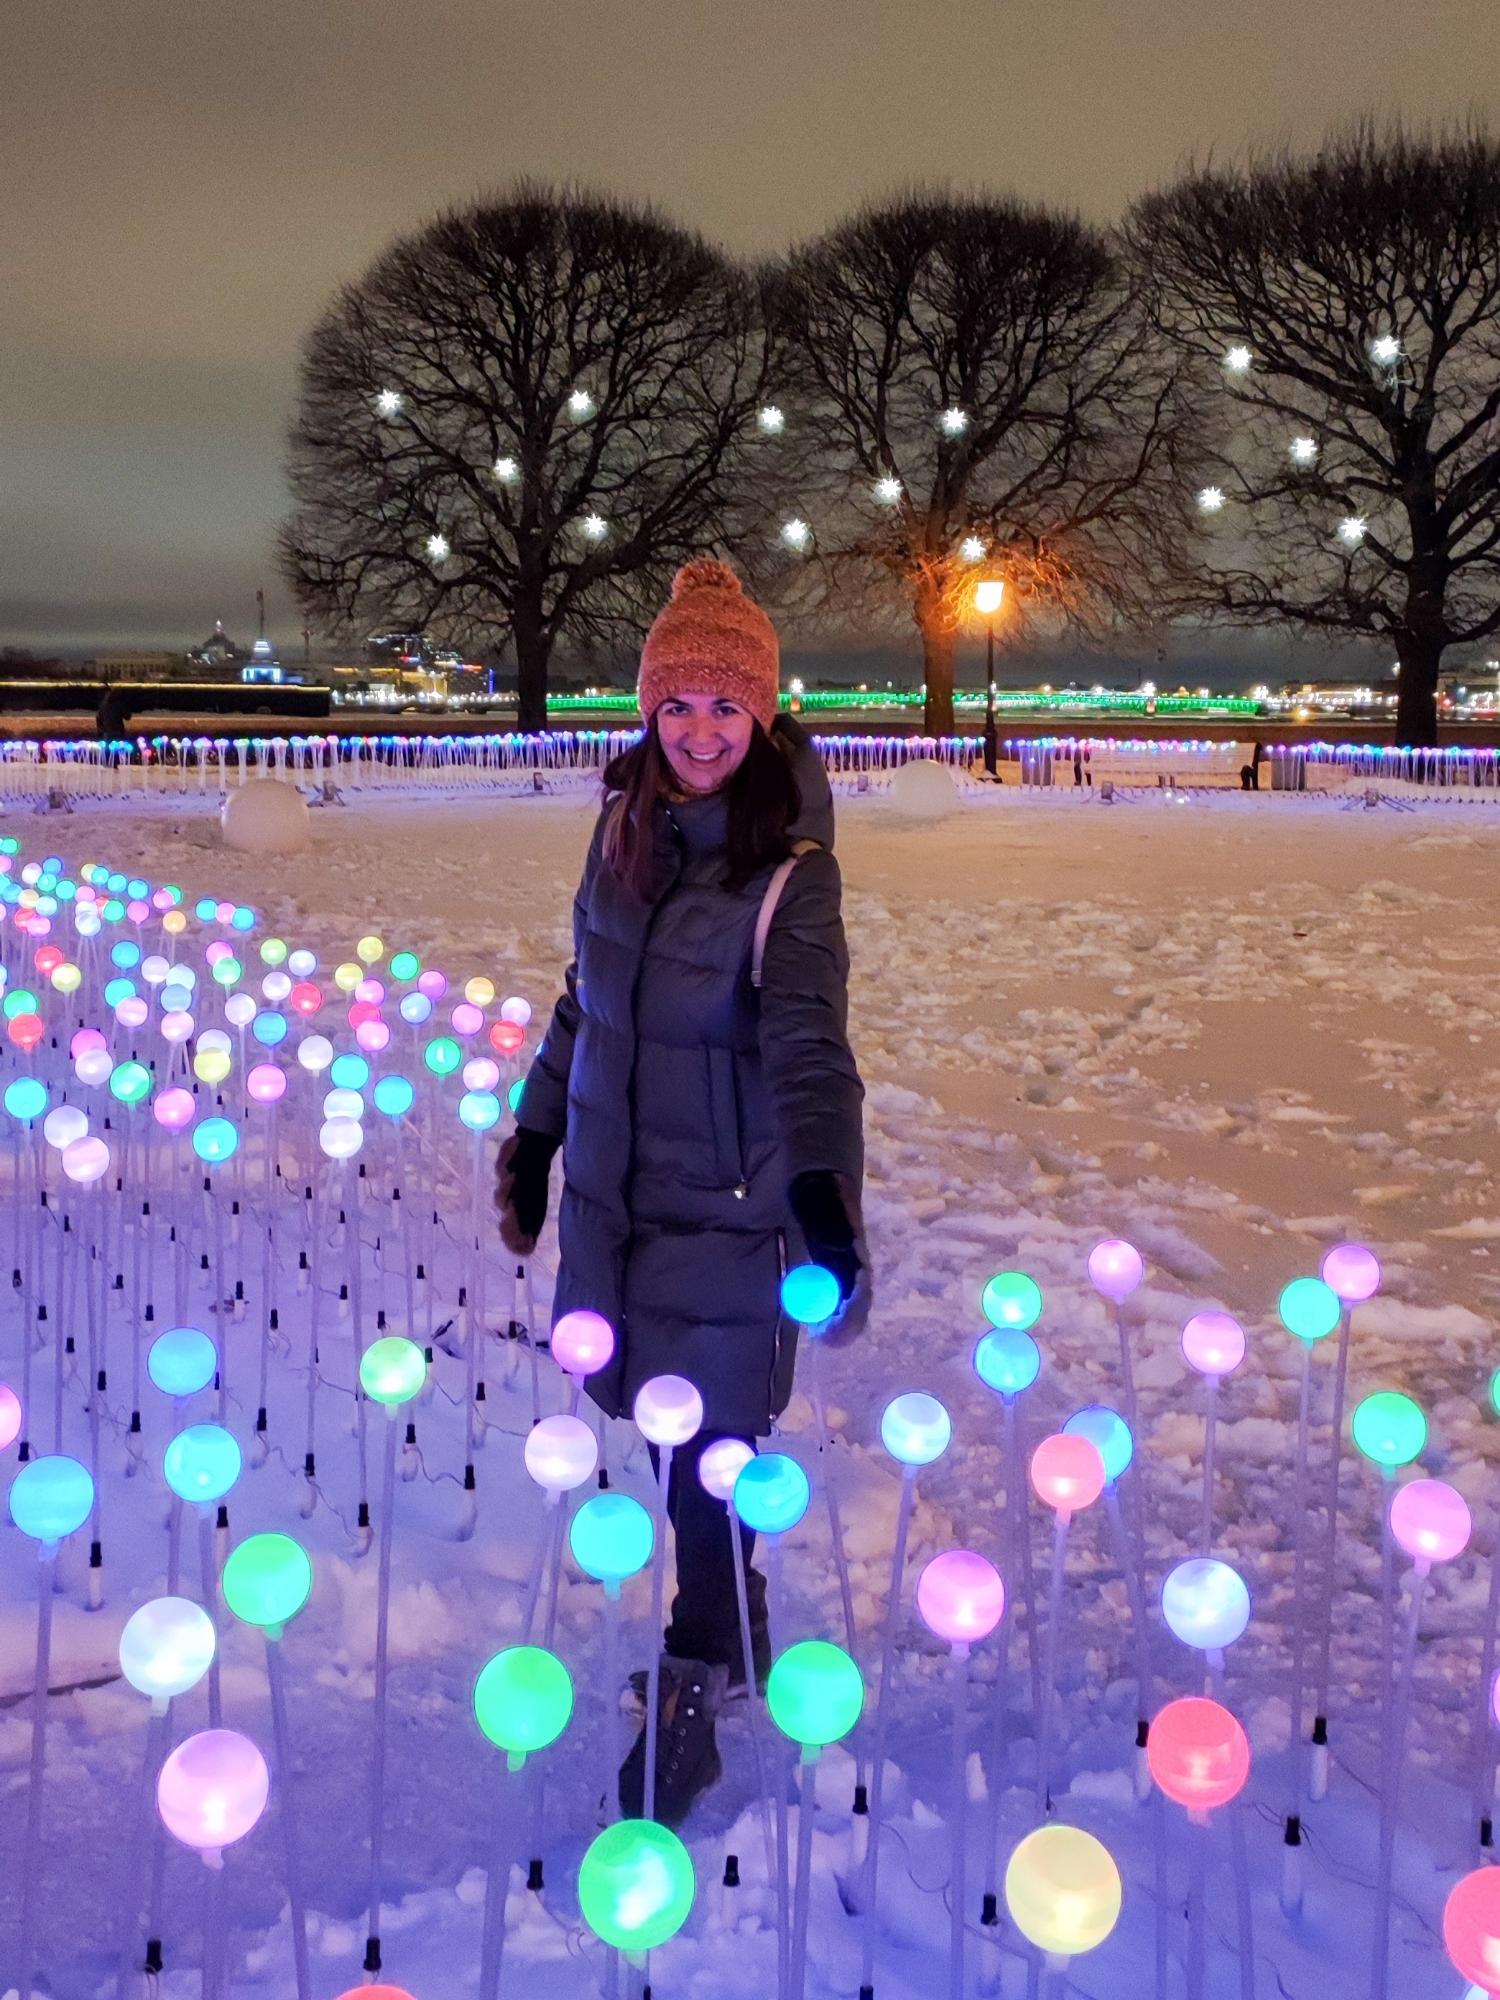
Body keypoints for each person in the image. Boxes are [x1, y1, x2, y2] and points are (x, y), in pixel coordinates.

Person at [495, 557, 868, 1827]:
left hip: (727, 1208)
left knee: (713, 1447)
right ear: (649, 716)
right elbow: (584, 997)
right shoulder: (623, 839)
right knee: (675, 1446)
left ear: (760, 715)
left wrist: (824, 1193)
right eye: (678, 707)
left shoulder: (788, 877)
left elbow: (813, 1047)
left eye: (725, 708)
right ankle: (733, 1609)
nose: (701, 732)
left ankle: (696, 1675)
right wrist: (535, 1135)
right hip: (621, 1205)